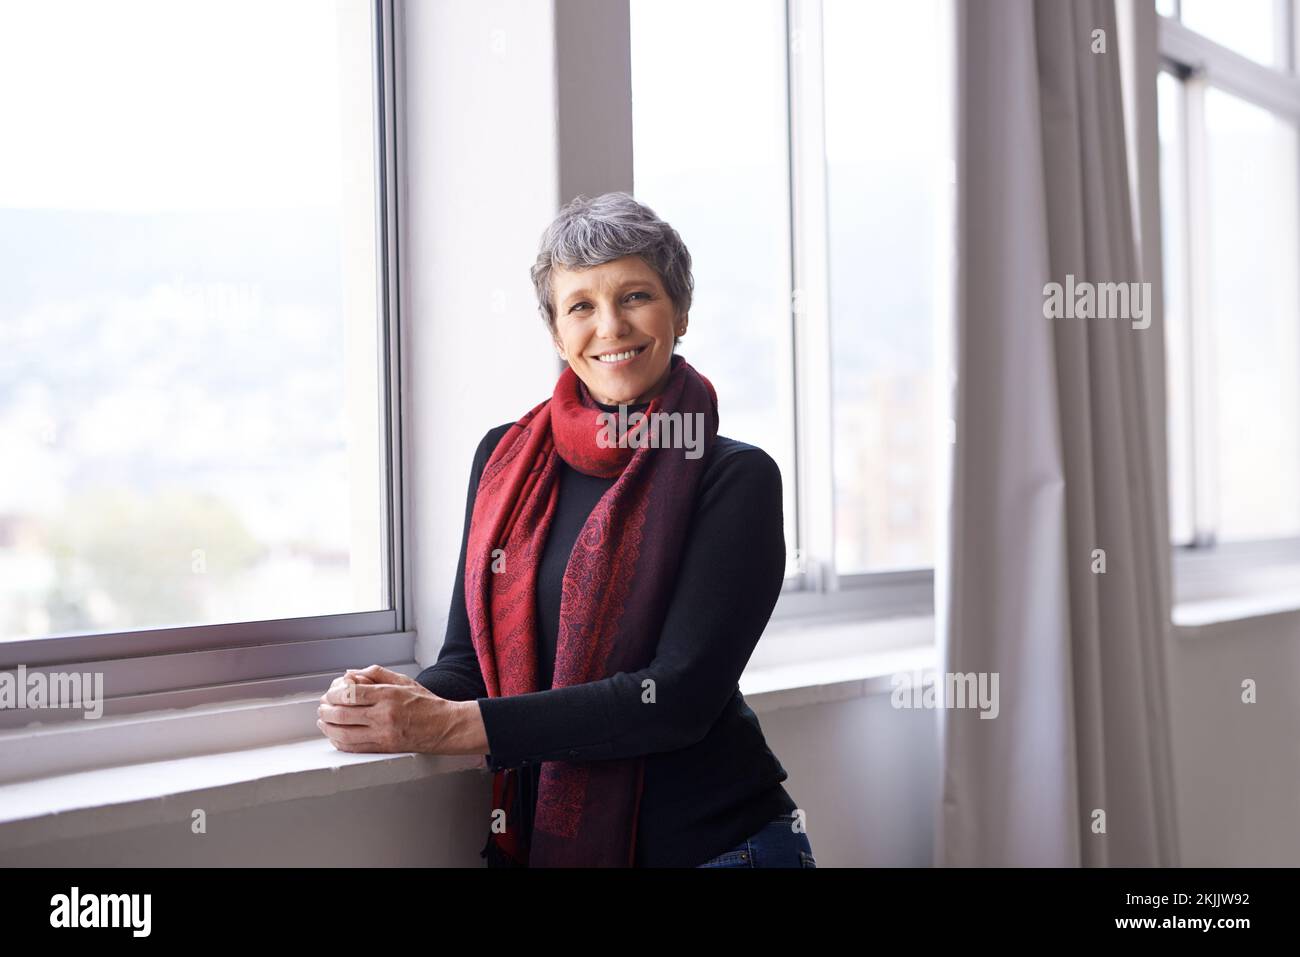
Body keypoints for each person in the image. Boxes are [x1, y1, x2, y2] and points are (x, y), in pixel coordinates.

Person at [317, 191, 814, 869]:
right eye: (581, 305)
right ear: (556, 330)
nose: (610, 326)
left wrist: (458, 726)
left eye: (636, 296)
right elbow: (472, 663)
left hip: (720, 848)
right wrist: (398, 699)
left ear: (681, 312)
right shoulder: (506, 461)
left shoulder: (734, 477)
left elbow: (675, 698)